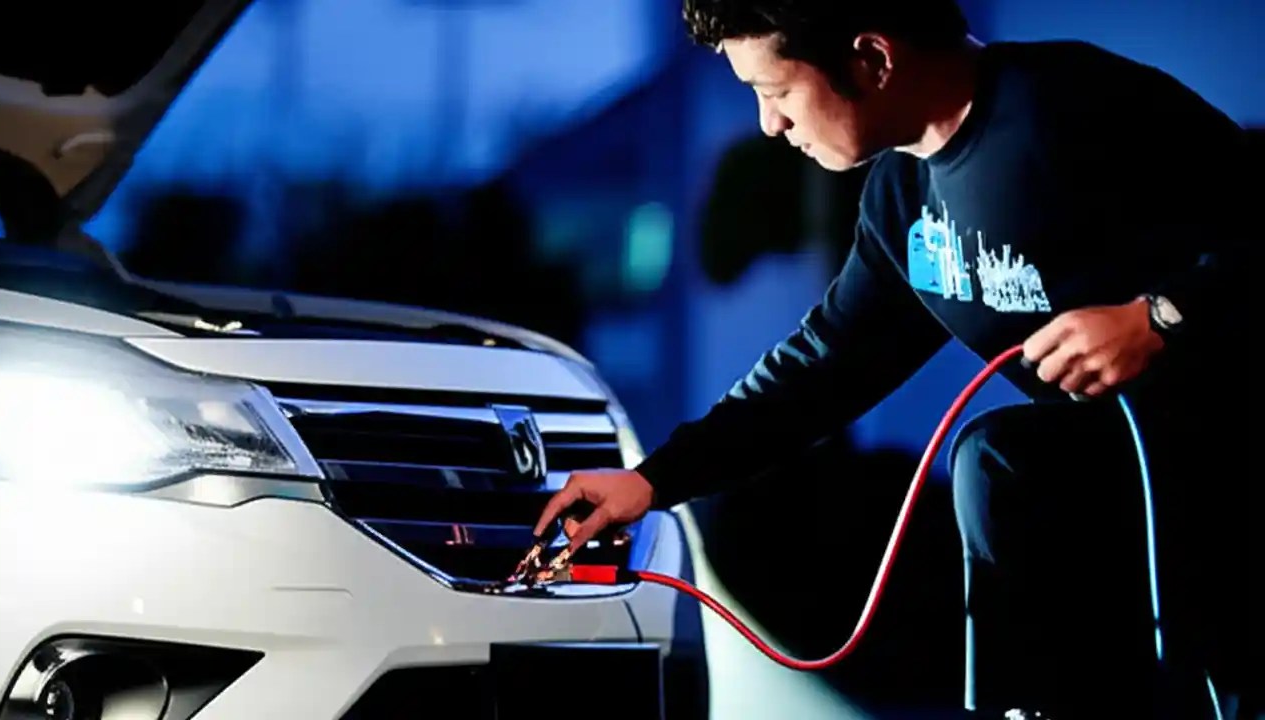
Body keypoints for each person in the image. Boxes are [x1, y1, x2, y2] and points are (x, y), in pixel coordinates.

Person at [535, 1, 1258, 717]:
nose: (770, 124)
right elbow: (821, 368)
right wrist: (652, 481)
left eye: (775, 91)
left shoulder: (1075, 104)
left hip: (1229, 479)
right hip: (1124, 514)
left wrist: (1163, 315)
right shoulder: (904, 201)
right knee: (1002, 459)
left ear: (872, 59)